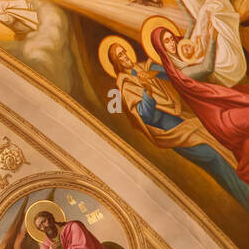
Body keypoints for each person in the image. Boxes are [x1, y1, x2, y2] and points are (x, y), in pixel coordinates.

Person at [105, 40, 249, 209]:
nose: (125, 57)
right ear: (116, 62)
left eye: (124, 52)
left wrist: (171, 67)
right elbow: (146, 115)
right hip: (174, 133)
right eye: (120, 55)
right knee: (214, 158)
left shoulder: (146, 67)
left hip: (187, 120)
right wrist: (147, 91)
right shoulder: (125, 85)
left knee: (225, 147)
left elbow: (176, 77)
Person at [150, 26, 249, 184]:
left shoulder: (184, 57)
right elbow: (206, 67)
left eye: (171, 38)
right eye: (166, 41)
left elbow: (191, 34)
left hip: (226, 107)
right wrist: (213, 39)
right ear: (161, 48)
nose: (172, 43)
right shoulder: (179, 73)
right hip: (221, 118)